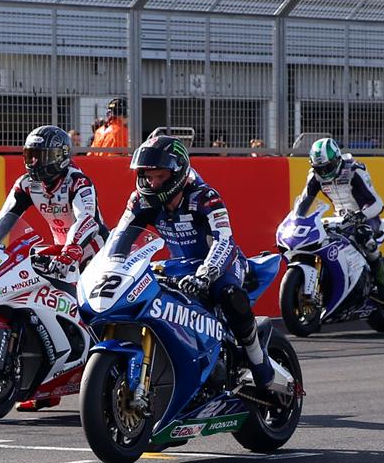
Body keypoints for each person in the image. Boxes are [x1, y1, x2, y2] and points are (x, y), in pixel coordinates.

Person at [104, 134, 291, 396]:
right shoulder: (140, 200)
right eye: (149, 176)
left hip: (220, 261)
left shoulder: (204, 197)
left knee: (228, 295)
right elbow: (120, 237)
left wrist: (206, 274)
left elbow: (224, 239)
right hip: (178, 264)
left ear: (177, 173)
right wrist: (111, 266)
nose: (153, 183)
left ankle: (260, 364)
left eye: (160, 177)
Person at [292, 137, 384, 307]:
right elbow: (305, 200)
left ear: (337, 159)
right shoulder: (315, 176)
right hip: (339, 217)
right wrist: (297, 219)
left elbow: (377, 203)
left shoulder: (354, 171)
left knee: (367, 240)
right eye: (320, 168)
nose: (324, 172)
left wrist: (360, 216)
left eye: (327, 167)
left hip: (366, 216)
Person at [0, 125, 105, 272]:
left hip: (92, 251)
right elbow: (5, 216)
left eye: (41, 156)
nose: (34, 162)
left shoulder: (78, 182)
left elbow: (86, 220)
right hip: (60, 253)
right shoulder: (26, 183)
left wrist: (70, 251)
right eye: (30, 156)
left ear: (60, 155)